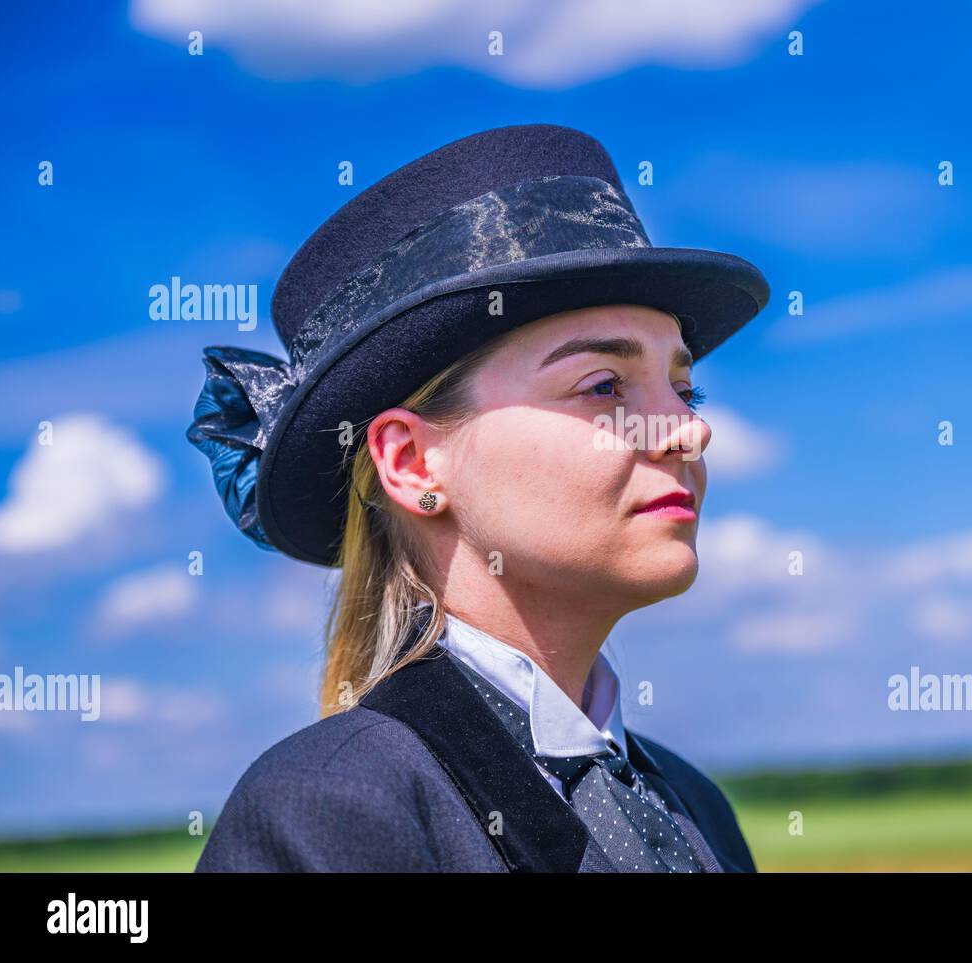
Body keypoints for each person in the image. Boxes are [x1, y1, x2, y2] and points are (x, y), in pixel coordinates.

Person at [186, 123, 770, 872]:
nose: (688, 429)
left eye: (685, 388)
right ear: (412, 462)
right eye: (603, 386)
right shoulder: (328, 812)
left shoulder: (696, 807)